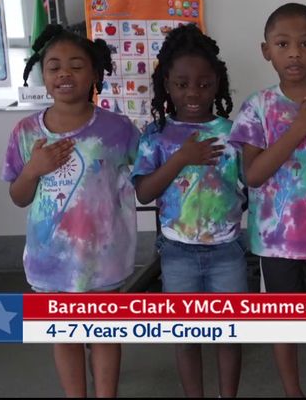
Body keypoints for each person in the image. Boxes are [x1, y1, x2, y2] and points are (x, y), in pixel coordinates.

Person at [2, 24, 139, 397]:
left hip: (105, 258)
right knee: (64, 335)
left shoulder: (118, 129)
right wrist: (33, 169)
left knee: (105, 334)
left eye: (77, 65)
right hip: (52, 262)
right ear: (42, 74)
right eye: (54, 66)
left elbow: (144, 177)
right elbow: (19, 196)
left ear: (95, 72)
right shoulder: (26, 132)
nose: (65, 73)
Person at [229, 3, 306, 398]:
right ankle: (293, 392)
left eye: (305, 43)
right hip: (275, 241)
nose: (294, 52)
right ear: (267, 50)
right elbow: (253, 174)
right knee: (282, 320)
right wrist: (300, 128)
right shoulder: (257, 107)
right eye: (283, 44)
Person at [131, 24, 245, 398]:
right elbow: (145, 192)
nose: (193, 92)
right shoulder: (156, 135)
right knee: (186, 336)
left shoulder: (233, 133)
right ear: (167, 85)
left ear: (217, 85)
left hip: (227, 251)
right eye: (182, 84)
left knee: (229, 336)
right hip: (177, 253)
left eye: (203, 84)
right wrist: (181, 158)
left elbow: (250, 184)